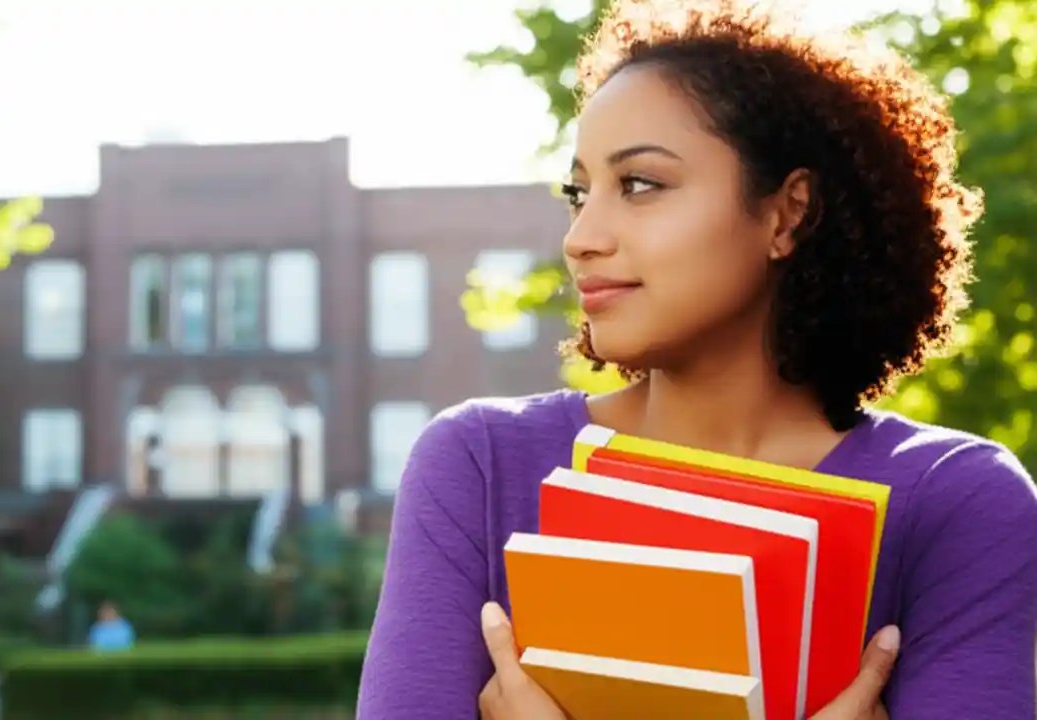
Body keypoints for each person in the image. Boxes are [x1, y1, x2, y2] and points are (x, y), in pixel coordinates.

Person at [356, 0, 1037, 718]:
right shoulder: (479, 465)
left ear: (787, 212)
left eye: (640, 185)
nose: (581, 237)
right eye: (579, 193)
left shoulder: (956, 501)